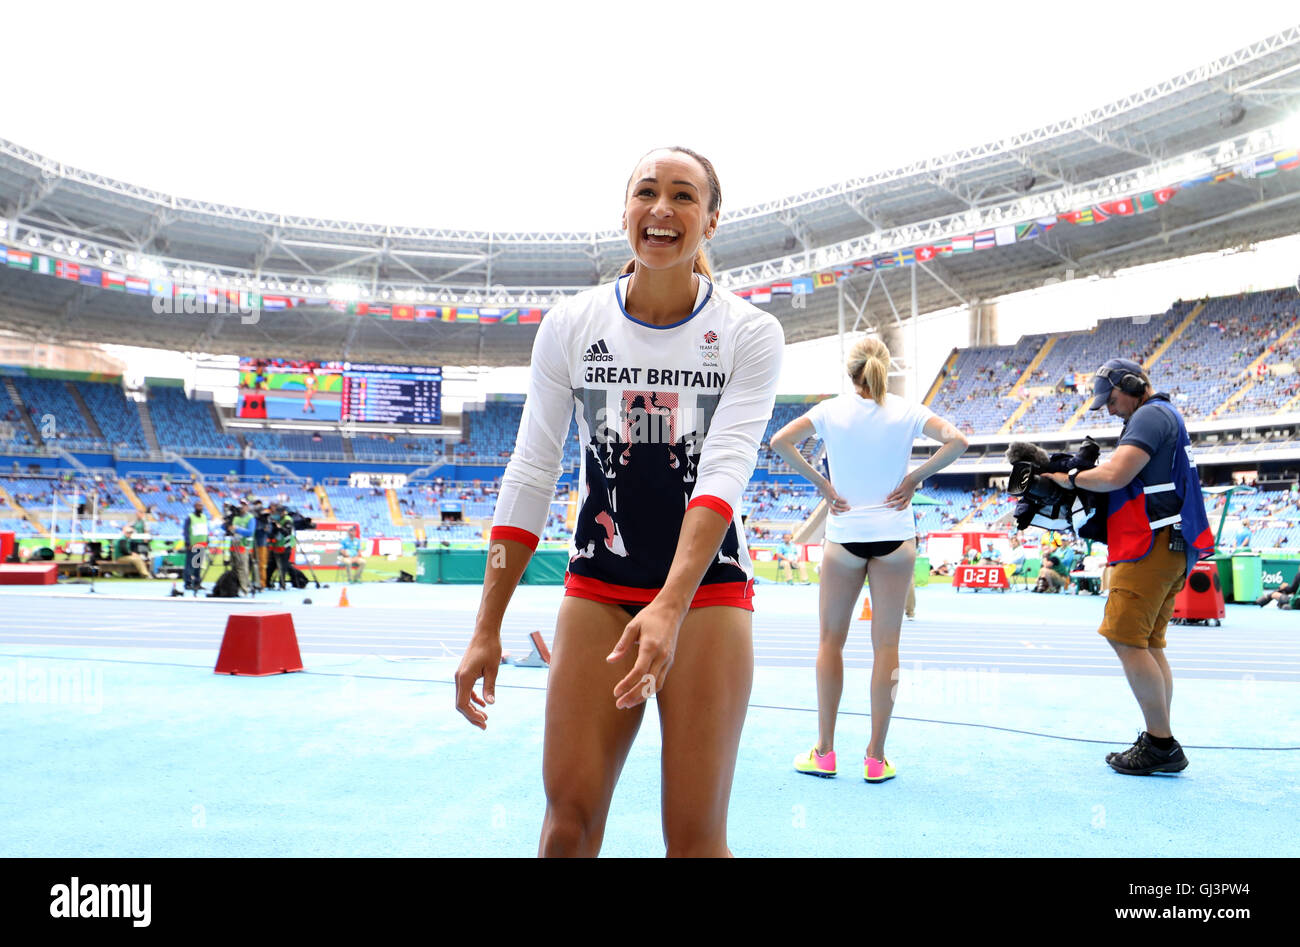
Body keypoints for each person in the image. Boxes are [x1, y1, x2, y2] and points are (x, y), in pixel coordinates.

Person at [454, 146, 784, 857]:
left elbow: (723, 470)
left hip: (706, 596)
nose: (662, 209)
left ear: (712, 221)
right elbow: (532, 469)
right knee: (566, 826)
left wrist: (668, 604)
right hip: (599, 588)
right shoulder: (570, 325)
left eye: (684, 196)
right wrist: (488, 625)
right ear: (625, 212)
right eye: (647, 192)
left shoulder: (749, 334)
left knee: (694, 840)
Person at [770, 336, 968, 782]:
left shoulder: (829, 411)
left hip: (845, 537)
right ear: (884, 369)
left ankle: (824, 752)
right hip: (895, 538)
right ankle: (876, 759)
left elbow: (781, 441)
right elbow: (957, 441)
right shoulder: (908, 410)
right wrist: (915, 478)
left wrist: (823, 486)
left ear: (850, 371)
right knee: (887, 648)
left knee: (830, 643)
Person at [1044, 358, 1213, 776]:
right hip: (1171, 544)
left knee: (1125, 639)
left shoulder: (1151, 415)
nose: (1110, 408)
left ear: (1133, 385)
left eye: (1113, 398)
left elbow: (1116, 475)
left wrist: (1068, 476)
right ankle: (1160, 737)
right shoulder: (1164, 413)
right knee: (1150, 644)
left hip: (1149, 546)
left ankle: (1161, 744)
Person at [229, 500, 255, 594]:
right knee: (234, 568)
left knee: (243, 569)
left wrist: (237, 529)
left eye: (244, 505)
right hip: (234, 545)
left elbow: (250, 532)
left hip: (243, 546)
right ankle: (234, 587)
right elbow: (225, 528)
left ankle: (244, 589)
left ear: (247, 507)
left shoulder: (250, 518)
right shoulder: (235, 517)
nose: (242, 507)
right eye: (241, 505)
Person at [183, 501, 208, 591]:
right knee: (190, 565)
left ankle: (197, 583)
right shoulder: (190, 517)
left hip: (202, 544)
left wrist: (207, 540)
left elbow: (205, 530)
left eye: (201, 506)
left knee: (198, 565)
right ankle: (188, 583)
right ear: (195, 507)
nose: (200, 507)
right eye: (198, 506)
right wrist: (187, 542)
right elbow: (186, 531)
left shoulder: (204, 517)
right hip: (192, 545)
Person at [269, 505, 296, 590]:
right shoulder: (279, 519)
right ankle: (276, 583)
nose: (279, 513)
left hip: (285, 545)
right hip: (278, 545)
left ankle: (282, 584)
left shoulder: (287, 519)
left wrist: (279, 527)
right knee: (278, 565)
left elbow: (287, 532)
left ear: (284, 511)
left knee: (283, 566)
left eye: (280, 512)